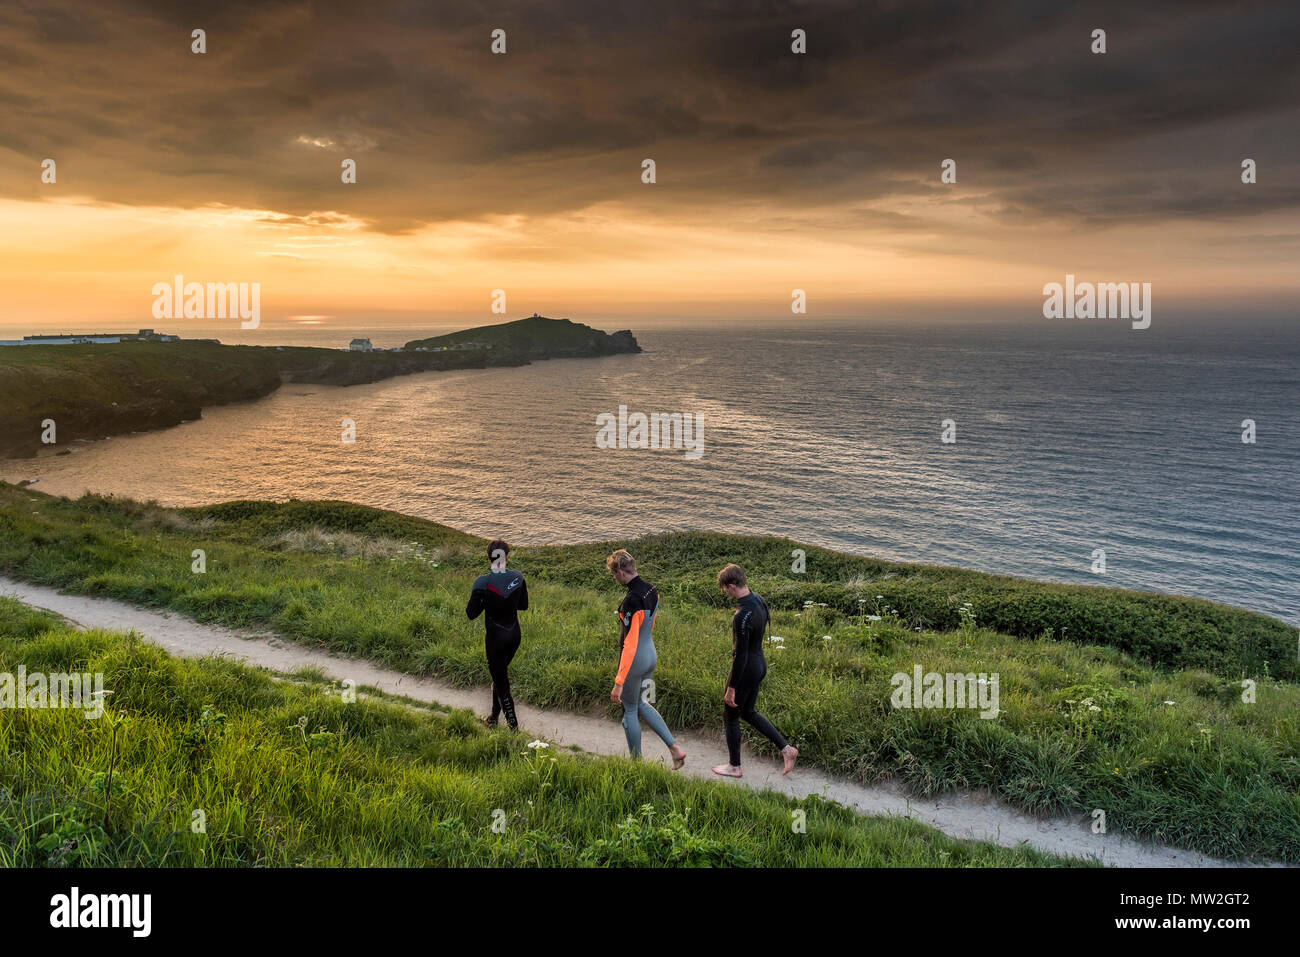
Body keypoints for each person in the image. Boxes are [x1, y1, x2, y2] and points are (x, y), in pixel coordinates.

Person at [712, 563, 798, 778]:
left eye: (724, 588)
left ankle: (734, 766)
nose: (725, 593)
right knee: (748, 712)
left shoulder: (741, 615)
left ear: (731, 586)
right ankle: (787, 750)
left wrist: (732, 687)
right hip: (760, 664)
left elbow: (740, 656)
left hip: (747, 669)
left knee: (730, 716)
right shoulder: (758, 600)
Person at [607, 549, 686, 769]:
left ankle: (636, 765)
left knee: (630, 709)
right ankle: (675, 749)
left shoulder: (631, 600)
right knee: (642, 703)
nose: (614, 578)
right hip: (650, 653)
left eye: (614, 574)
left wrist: (619, 682)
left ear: (621, 572)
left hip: (636, 660)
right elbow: (650, 625)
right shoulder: (651, 589)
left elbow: (629, 645)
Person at [466, 539, 528, 729]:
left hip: (496, 641)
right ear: (507, 557)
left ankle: (514, 730)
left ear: (488, 558)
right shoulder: (518, 577)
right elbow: (523, 606)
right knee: (499, 677)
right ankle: (493, 718)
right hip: (514, 637)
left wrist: (488, 599)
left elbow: (471, 614)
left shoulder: (482, 583)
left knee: (502, 683)